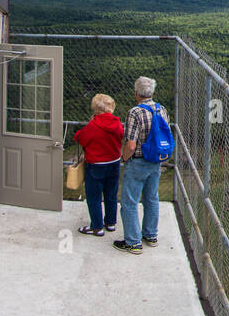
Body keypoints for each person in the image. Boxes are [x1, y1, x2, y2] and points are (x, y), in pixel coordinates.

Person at [118, 76, 169, 249]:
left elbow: (131, 144)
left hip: (138, 161)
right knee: (151, 198)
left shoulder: (135, 112)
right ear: (152, 92)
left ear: (136, 93)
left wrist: (124, 158)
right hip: (155, 161)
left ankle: (133, 242)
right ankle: (151, 235)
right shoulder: (161, 109)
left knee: (130, 201)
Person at [72, 93, 124, 245]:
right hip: (114, 162)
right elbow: (121, 135)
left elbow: (81, 138)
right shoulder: (117, 123)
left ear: (95, 108)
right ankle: (111, 222)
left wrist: (79, 133)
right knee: (111, 193)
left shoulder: (93, 126)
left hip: (96, 165)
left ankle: (96, 227)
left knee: (94, 196)